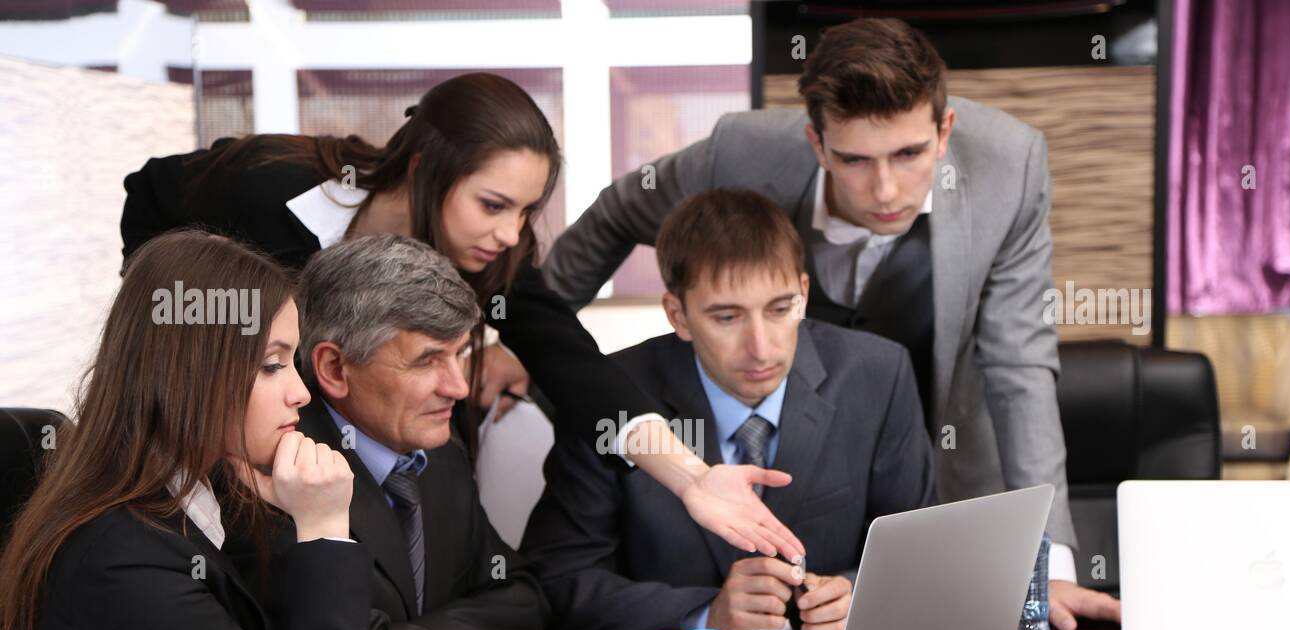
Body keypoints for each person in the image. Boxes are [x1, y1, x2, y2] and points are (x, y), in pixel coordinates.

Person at [541, 17, 1120, 630]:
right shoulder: (741, 150)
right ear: (816, 143)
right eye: (854, 160)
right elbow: (615, 214)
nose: (886, 189)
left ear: (944, 131)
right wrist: (534, 339)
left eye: (909, 154)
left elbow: (1019, 366)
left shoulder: (1009, 168)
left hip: (926, 437)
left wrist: (1049, 560)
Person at [121, 71, 802, 564]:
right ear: (425, 169)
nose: (510, 234)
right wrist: (175, 341)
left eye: (527, 212)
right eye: (493, 204)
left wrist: (691, 476)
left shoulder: (495, 260)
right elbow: (146, 192)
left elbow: (572, 362)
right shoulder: (280, 192)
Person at [229, 233, 752, 630]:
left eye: (461, 353)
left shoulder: (439, 453)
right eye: (429, 360)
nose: (457, 387)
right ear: (335, 369)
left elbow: (524, 595)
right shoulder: (278, 474)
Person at [0, 230, 370, 630]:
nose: (301, 393)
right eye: (273, 363)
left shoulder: (208, 495)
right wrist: (324, 527)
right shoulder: (118, 559)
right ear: (195, 367)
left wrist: (296, 519)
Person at [522, 188, 935, 630]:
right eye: (727, 317)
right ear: (678, 314)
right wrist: (705, 614)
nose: (761, 347)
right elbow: (557, 584)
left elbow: (919, 556)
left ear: (803, 292)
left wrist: (856, 597)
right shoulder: (610, 395)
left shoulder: (879, 374)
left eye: (780, 310)